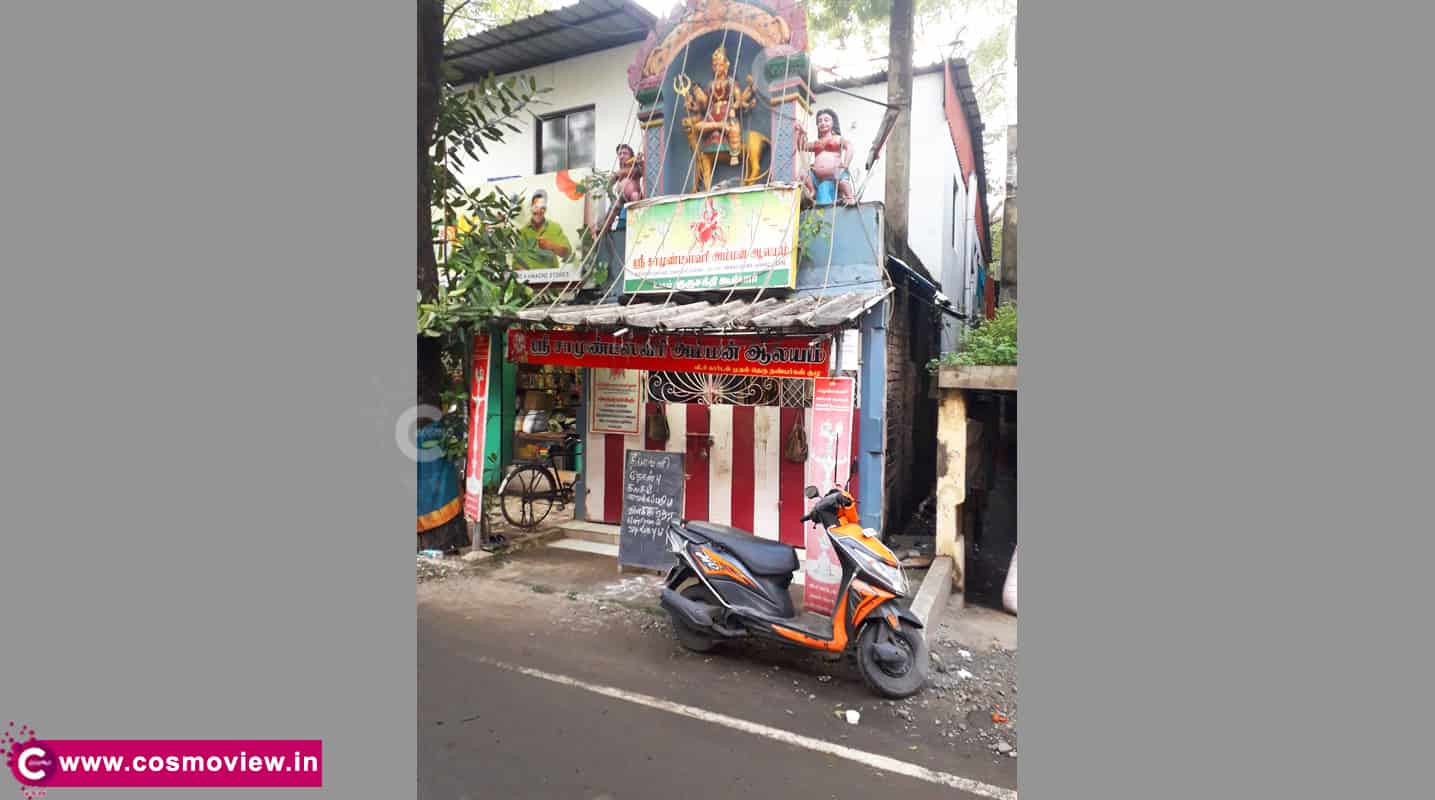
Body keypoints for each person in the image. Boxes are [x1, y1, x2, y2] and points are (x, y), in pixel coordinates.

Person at [797, 108, 857, 206]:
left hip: (835, 176)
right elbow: (802, 146)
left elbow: (849, 147)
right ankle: (812, 191)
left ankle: (850, 197)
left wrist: (846, 163)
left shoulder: (837, 139)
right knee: (803, 173)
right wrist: (801, 133)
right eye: (819, 121)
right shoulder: (816, 143)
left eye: (826, 120)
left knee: (842, 182)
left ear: (833, 123)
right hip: (818, 178)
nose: (823, 123)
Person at [515, 189, 572, 270]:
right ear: (531, 207)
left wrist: (551, 246)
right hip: (528, 280)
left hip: (551, 279)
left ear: (545, 209)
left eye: (542, 207)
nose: (539, 211)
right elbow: (515, 261)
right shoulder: (522, 232)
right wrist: (523, 272)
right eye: (536, 207)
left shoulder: (554, 227)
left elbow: (567, 253)